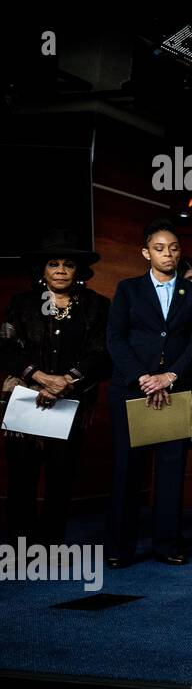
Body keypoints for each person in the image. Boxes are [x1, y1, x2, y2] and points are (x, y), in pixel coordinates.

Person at [104, 218, 192, 567]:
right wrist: (143, 377)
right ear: (145, 252)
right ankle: (120, 547)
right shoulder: (128, 288)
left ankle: (167, 545)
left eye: (174, 248)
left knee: (171, 469)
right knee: (127, 470)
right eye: (160, 248)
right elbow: (115, 339)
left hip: (175, 388)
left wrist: (170, 376)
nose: (168, 254)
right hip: (132, 389)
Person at [1, 230, 110, 545]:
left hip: (71, 401)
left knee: (61, 477)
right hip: (26, 400)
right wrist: (39, 376)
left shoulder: (96, 306)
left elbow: (101, 353)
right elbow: (5, 348)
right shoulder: (21, 304)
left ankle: (51, 545)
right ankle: (22, 546)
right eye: (53, 263)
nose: (61, 269)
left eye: (68, 264)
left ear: (78, 271)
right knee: (22, 476)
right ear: (42, 270)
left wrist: (65, 380)